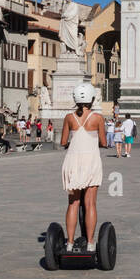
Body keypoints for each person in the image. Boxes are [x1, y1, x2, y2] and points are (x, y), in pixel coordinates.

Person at [60, 82, 104, 253]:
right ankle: (91, 242)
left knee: (73, 203)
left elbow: (63, 142)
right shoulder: (98, 118)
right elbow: (104, 142)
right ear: (92, 99)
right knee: (90, 203)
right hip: (91, 161)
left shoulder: (69, 117)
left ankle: (70, 243)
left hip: (72, 162)